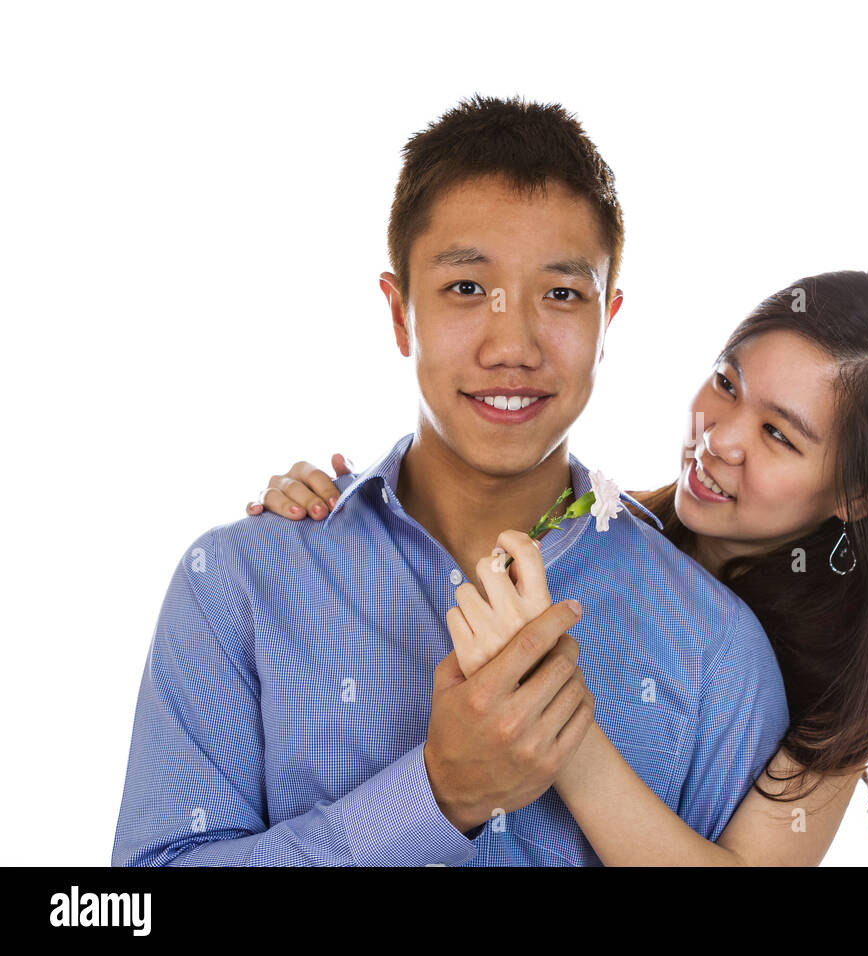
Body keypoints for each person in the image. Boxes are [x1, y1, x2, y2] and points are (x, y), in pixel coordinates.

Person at [110, 94, 790, 867]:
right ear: (400, 313)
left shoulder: (715, 647)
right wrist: (436, 795)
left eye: (562, 294)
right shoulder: (237, 584)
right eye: (467, 288)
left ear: (610, 324)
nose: (514, 344)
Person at [249, 269, 868, 863]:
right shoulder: (599, 526)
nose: (719, 439)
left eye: (778, 436)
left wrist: (548, 715)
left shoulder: (845, 679)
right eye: (727, 383)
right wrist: (339, 510)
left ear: (856, 496)